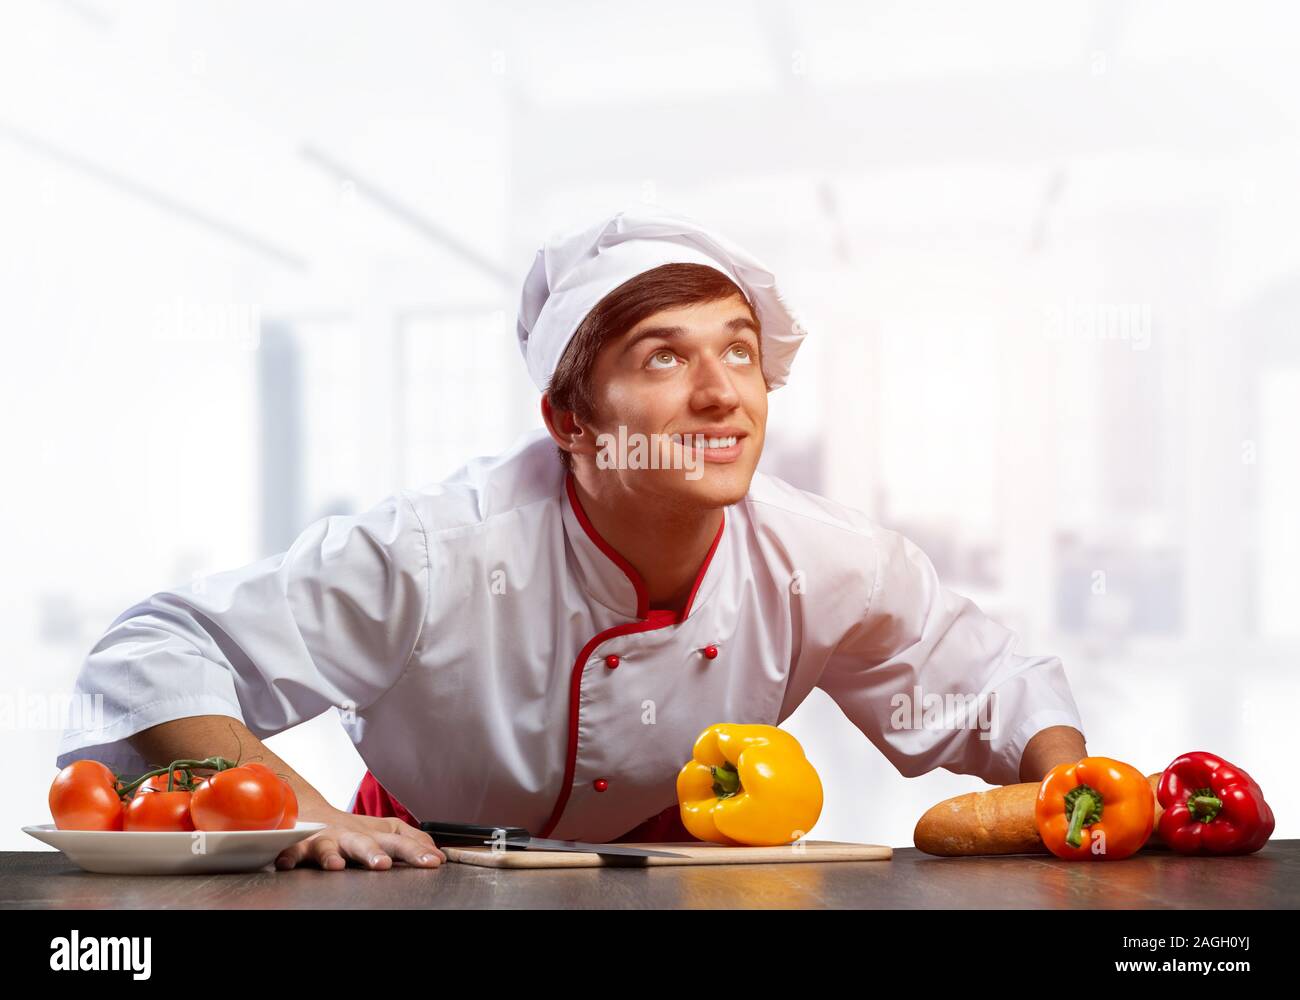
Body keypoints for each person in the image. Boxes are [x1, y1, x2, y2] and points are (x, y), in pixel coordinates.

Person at [58, 207, 1086, 871]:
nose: (723, 388)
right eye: (662, 356)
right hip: (427, 875)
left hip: (686, 878)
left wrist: (1072, 789)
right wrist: (307, 810)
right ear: (570, 423)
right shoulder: (438, 549)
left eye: (738, 349)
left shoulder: (825, 559)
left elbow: (990, 684)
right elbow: (155, 652)